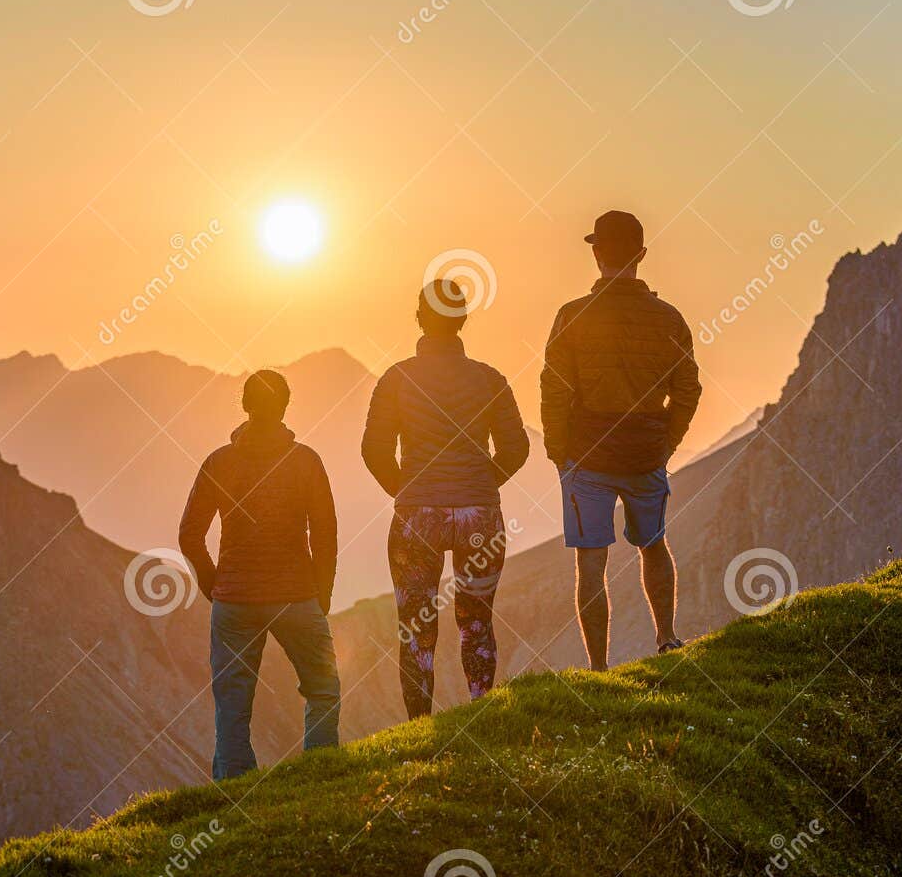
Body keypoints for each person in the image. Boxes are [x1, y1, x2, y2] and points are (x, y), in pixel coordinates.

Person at [539, 209, 702, 670]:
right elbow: (687, 389)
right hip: (646, 453)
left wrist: (557, 450)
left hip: (587, 454)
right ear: (641, 255)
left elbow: (554, 387)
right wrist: (667, 443)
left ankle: (599, 668)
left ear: (597, 254)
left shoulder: (572, 316)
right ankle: (667, 638)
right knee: (654, 544)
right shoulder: (668, 319)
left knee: (591, 561)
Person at [361, 279, 529, 718]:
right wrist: (481, 485)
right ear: (464, 320)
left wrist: (409, 491)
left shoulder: (396, 380)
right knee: (476, 622)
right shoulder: (490, 379)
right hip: (480, 516)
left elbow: (373, 450)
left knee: (416, 629)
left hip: (418, 515)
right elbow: (517, 448)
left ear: (419, 318)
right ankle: (481, 712)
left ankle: (420, 724)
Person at [178, 370, 341, 780]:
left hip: (235, 600)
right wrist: (322, 593)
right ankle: (321, 775)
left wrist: (215, 586)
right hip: (296, 596)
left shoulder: (219, 462)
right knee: (322, 688)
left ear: (245, 405)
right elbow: (325, 533)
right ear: (285, 406)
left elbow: (189, 535)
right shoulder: (305, 461)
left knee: (232, 703)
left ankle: (235, 788)